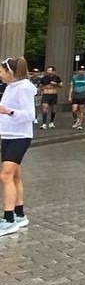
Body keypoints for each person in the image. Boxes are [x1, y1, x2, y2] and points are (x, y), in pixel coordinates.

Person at [0, 57, 36, 235]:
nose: (0, 75)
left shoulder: (23, 88)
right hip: (8, 135)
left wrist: (9, 111)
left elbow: (30, 115)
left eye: (1, 71)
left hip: (20, 137)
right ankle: (19, 214)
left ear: (10, 72)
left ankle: (9, 219)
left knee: (5, 175)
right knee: (14, 175)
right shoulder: (11, 87)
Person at [39, 65, 62, 129]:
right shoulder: (44, 78)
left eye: (50, 70)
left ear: (53, 71)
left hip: (53, 94)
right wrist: (41, 90)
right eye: (48, 70)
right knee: (44, 108)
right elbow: (40, 85)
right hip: (46, 94)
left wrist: (56, 84)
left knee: (53, 109)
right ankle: (44, 123)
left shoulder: (56, 78)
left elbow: (61, 85)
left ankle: (51, 122)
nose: (48, 71)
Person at [69, 65, 85, 129]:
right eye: (80, 70)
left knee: (81, 110)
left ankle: (80, 124)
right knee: (74, 110)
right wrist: (69, 96)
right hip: (75, 95)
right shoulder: (74, 78)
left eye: (82, 70)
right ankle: (76, 119)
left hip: (83, 95)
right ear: (78, 71)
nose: (81, 71)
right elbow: (71, 87)